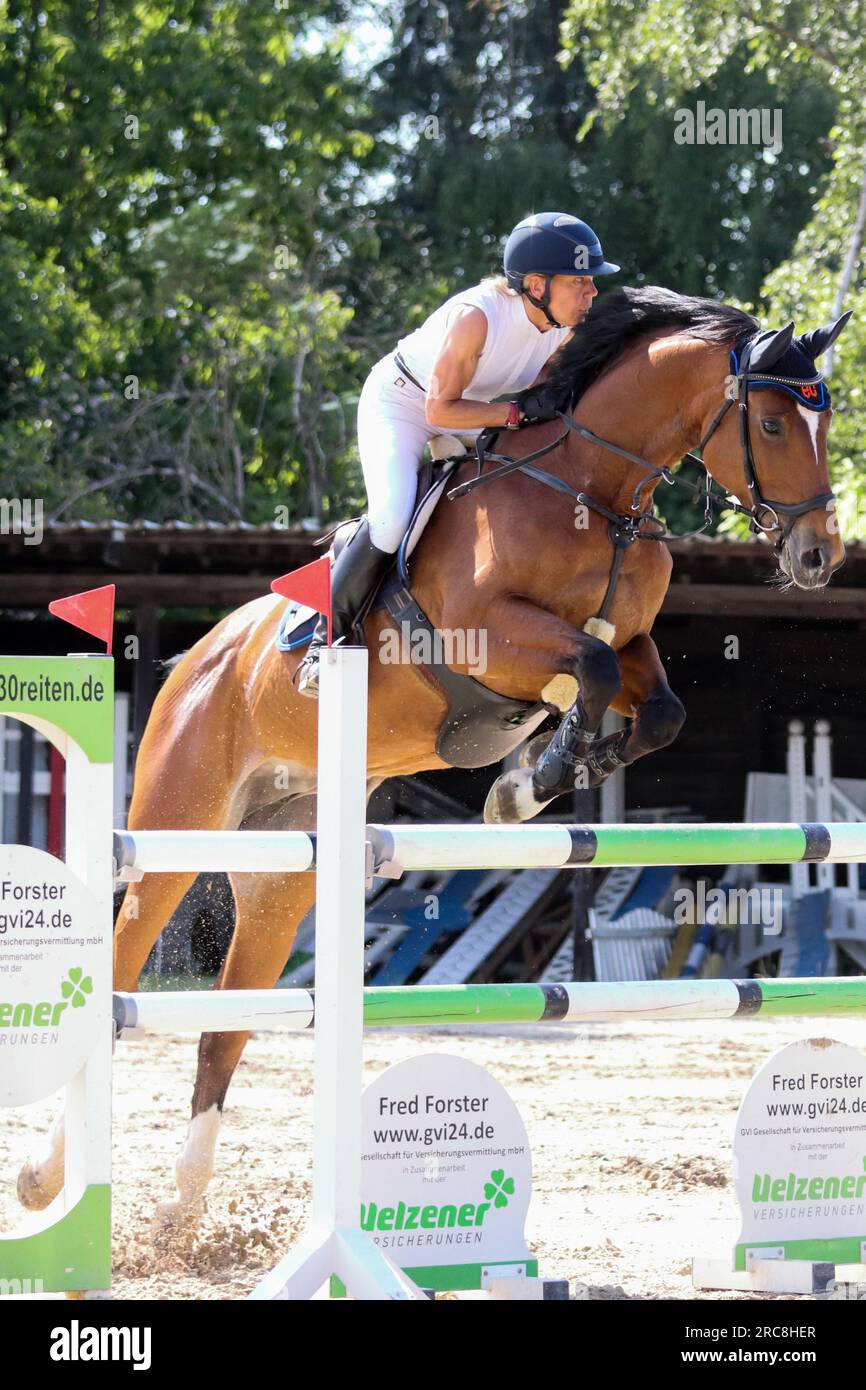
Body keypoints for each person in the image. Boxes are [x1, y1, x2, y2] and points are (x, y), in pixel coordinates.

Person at [294, 211, 620, 698]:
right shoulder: (477, 317)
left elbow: (538, 378)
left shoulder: (565, 323)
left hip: (475, 412)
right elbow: (440, 408)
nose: (592, 292)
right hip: (405, 404)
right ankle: (327, 639)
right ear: (536, 285)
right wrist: (514, 414)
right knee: (389, 518)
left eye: (592, 282)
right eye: (580, 282)